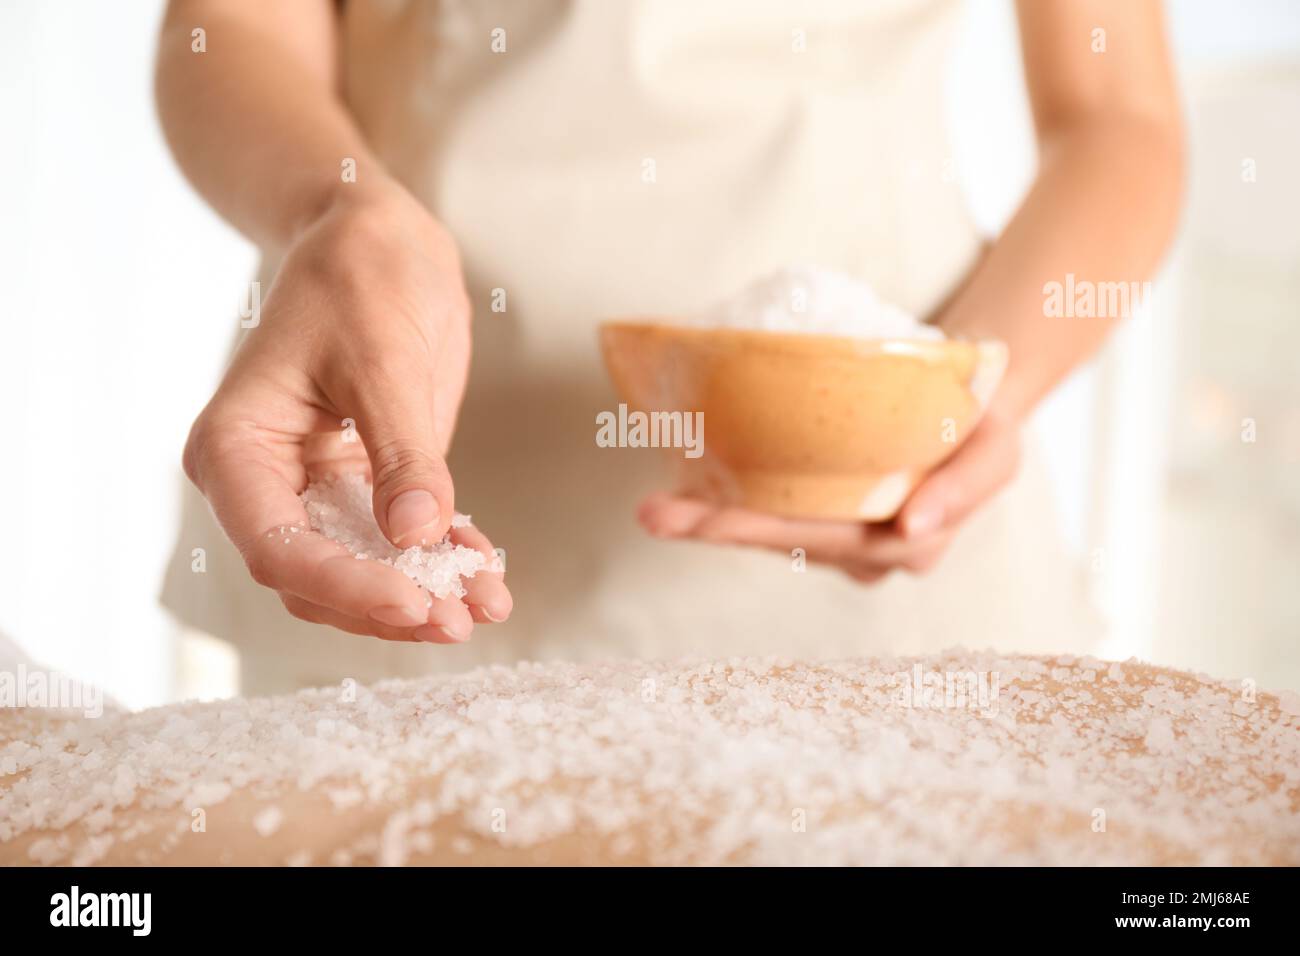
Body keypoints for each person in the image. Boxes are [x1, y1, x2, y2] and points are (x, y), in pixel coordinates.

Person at [156, 0, 1184, 694]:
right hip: (397, 519)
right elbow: (232, 26)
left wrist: (972, 393)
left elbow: (1116, 118)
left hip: (888, 581)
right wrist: (343, 213)